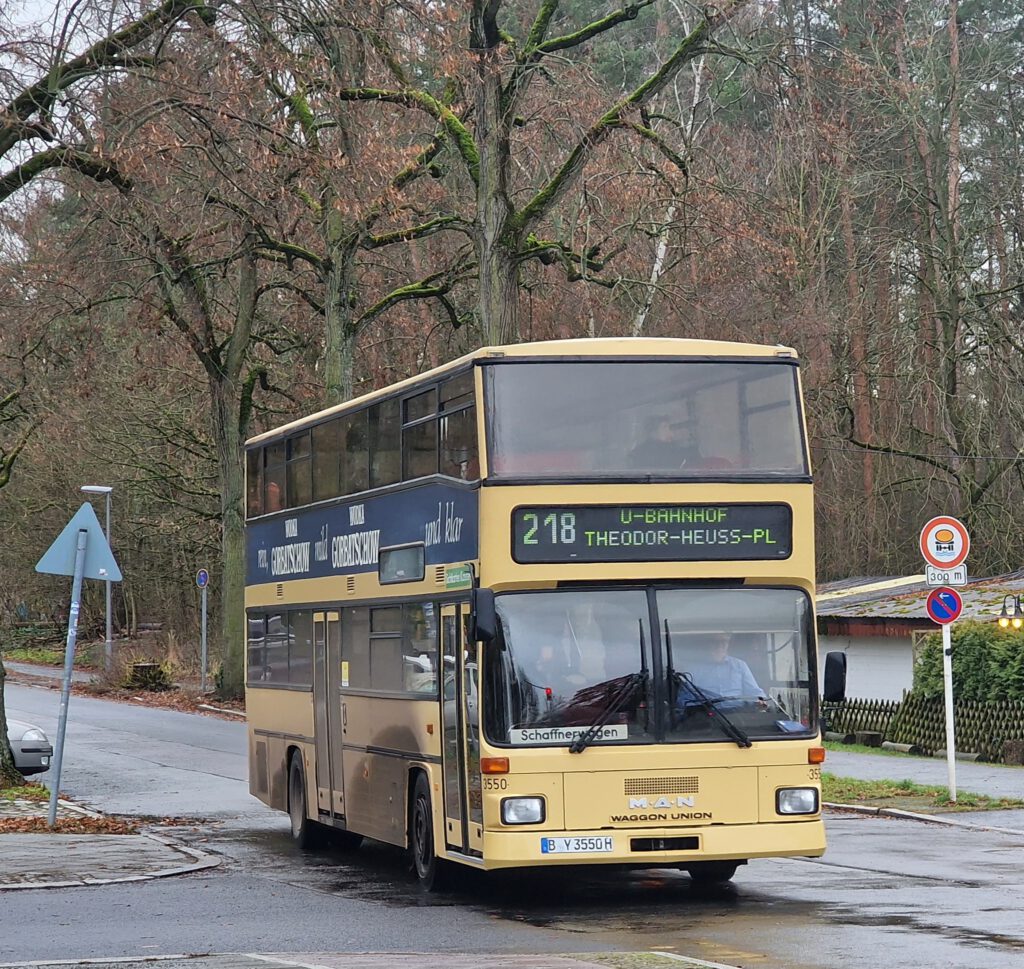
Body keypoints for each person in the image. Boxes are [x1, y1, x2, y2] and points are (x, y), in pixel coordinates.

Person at [680, 633, 764, 707]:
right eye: (715, 642)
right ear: (707, 644)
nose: (719, 646)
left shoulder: (740, 665)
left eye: (724, 642)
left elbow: (754, 692)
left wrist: (760, 701)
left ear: (728, 644)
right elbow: (684, 699)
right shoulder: (693, 669)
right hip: (706, 714)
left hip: (738, 714)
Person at [629, 415, 693, 470]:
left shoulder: (677, 450)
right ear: (653, 432)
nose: (670, 433)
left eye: (670, 428)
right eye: (664, 427)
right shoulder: (639, 454)